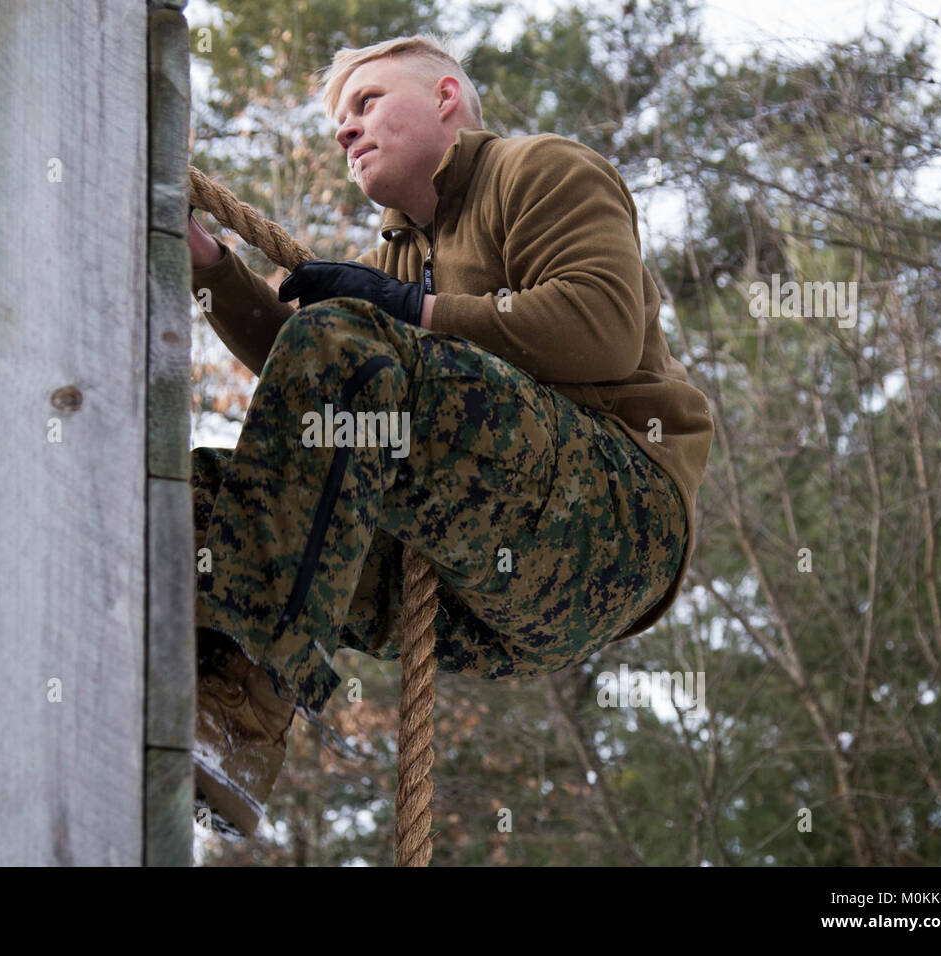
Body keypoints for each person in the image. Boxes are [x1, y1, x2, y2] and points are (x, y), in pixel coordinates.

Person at [186, 34, 713, 839]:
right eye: (338, 121)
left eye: (366, 102)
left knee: (344, 341)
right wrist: (214, 267)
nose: (345, 130)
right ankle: (205, 722)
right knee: (189, 503)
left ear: (444, 98)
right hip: (490, 601)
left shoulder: (539, 169)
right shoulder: (397, 256)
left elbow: (601, 329)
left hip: (610, 522)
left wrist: (401, 311)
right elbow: (315, 373)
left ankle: (247, 707)